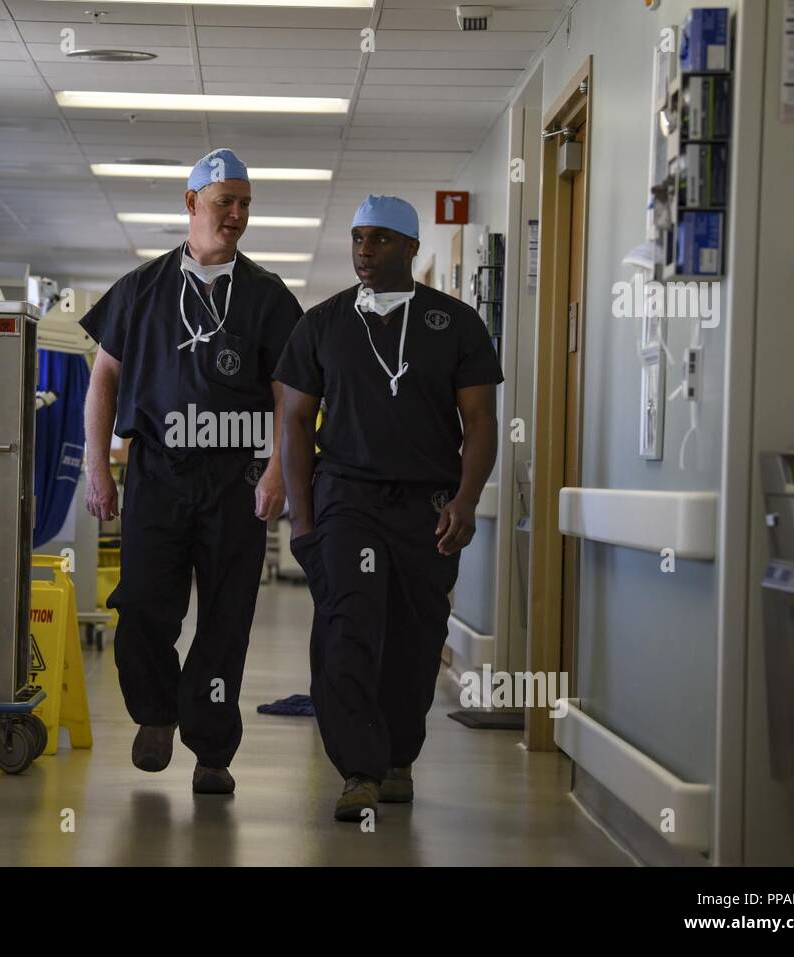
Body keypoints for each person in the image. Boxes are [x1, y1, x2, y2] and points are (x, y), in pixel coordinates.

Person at [79, 148, 303, 794]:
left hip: (235, 477)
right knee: (144, 604)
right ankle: (154, 711)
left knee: (227, 617)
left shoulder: (266, 296)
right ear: (190, 204)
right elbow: (104, 381)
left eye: (244, 205)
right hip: (156, 472)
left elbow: (289, 392)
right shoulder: (141, 291)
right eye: (223, 202)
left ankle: (210, 746)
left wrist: (278, 473)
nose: (235, 215)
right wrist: (99, 465)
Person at [274, 194, 502, 821]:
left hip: (428, 505)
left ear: (410, 247)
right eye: (357, 240)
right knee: (347, 630)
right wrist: (305, 518)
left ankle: (399, 756)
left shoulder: (455, 323)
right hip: (347, 498)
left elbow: (481, 420)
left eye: (378, 240)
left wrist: (466, 498)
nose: (364, 252)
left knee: (414, 637)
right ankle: (358, 771)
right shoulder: (320, 324)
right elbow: (293, 422)